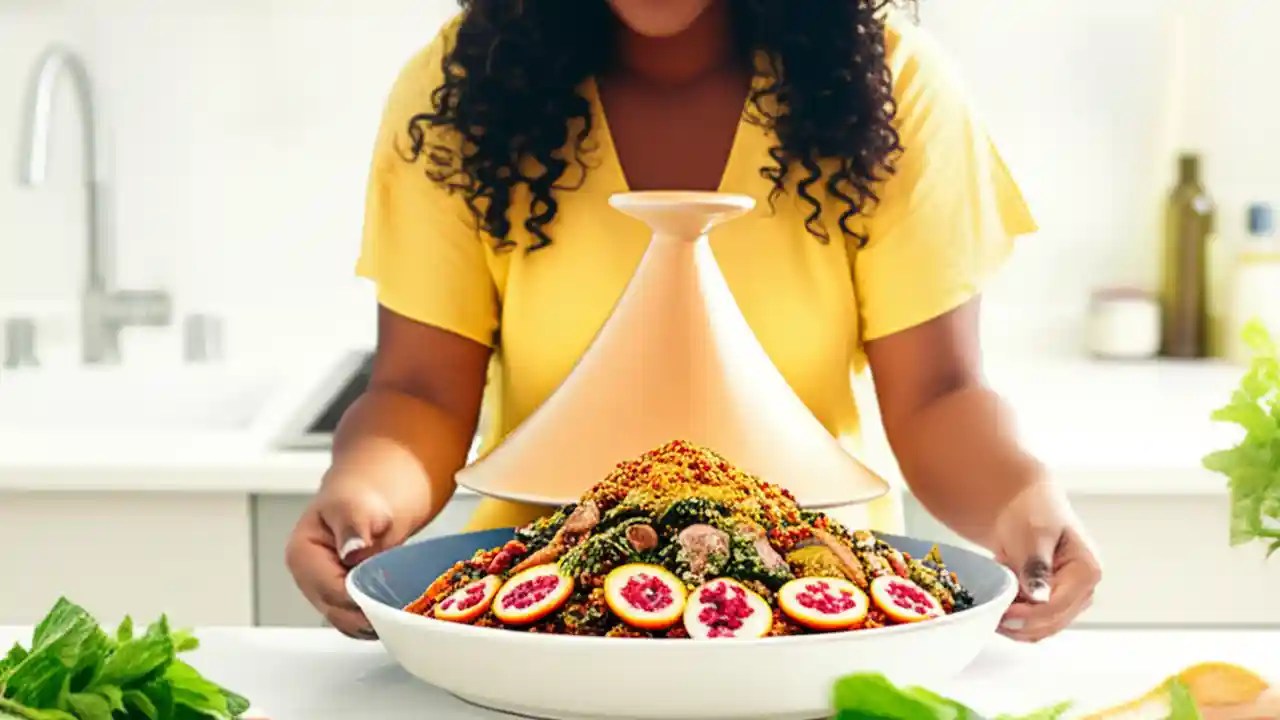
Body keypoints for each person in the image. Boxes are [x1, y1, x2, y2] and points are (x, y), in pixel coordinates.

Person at [286, 0, 1102, 644]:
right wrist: (360, 495)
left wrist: (1020, 499)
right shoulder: (463, 86)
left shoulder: (895, 86)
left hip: (815, 619)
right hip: (540, 623)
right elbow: (421, 391)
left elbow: (939, 394)